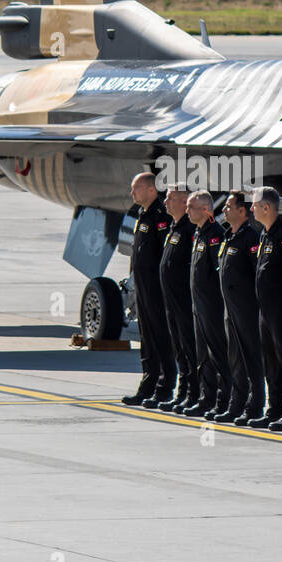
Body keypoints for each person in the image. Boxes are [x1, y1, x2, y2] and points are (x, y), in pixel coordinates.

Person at [121, 172, 178, 408]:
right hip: (143, 288)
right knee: (146, 338)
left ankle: (164, 388)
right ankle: (148, 384)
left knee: (160, 337)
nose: (132, 193)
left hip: (156, 288)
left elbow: (165, 254)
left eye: (136, 188)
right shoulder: (142, 214)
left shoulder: (160, 216)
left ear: (151, 190)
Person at [250, 186, 282, 430]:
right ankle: (274, 410)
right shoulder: (265, 234)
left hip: (281, 311)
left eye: (254, 205)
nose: (251, 209)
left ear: (266, 208)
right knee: (270, 363)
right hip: (265, 311)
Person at [213, 190, 265, 426]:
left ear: (242, 212)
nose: (224, 210)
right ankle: (236, 405)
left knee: (251, 358)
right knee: (234, 358)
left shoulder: (251, 239)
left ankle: (254, 407)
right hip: (229, 308)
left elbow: (257, 275)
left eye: (229, 206)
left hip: (246, 308)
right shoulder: (229, 237)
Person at [183, 190, 231, 419]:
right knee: (202, 354)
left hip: (212, 306)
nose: (187, 210)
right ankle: (206, 398)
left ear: (205, 210)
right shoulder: (199, 233)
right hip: (198, 305)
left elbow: (218, 272)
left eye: (191, 207)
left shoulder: (215, 236)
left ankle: (224, 400)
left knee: (216, 354)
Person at [158, 184, 198, 413]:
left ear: (184, 203)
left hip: (184, 299)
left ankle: (193, 392)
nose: (165, 203)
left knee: (189, 347)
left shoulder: (190, 231)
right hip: (171, 301)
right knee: (179, 348)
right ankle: (182, 392)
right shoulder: (174, 228)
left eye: (170, 198)